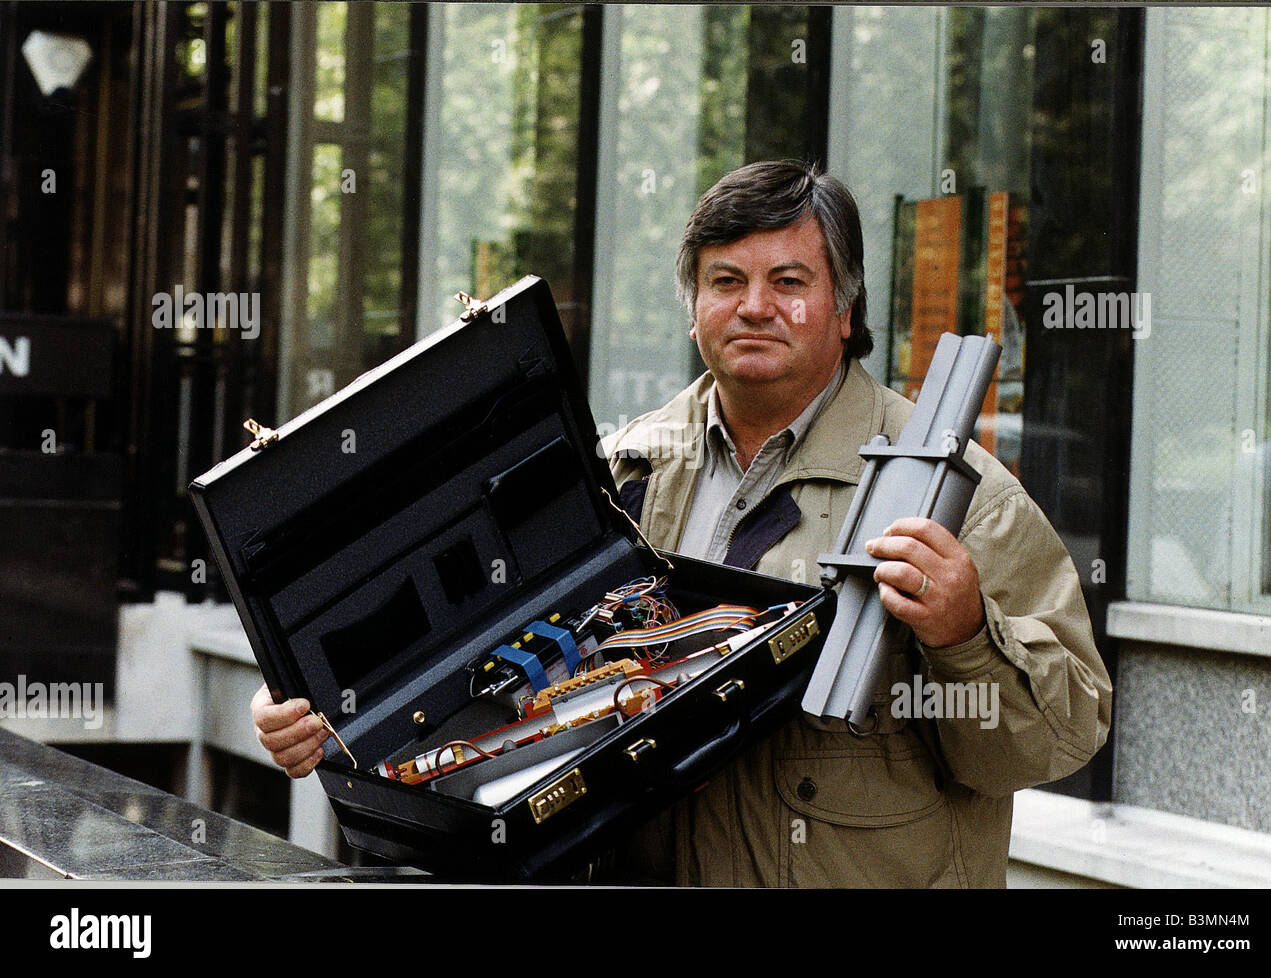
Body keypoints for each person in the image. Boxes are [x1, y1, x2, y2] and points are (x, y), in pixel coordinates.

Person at [252, 160, 1112, 887]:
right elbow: (479, 667)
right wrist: (332, 709)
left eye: (790, 282)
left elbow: (1060, 739)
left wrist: (966, 632)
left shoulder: (958, 496)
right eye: (726, 282)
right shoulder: (613, 476)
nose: (754, 307)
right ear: (693, 306)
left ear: (845, 311)